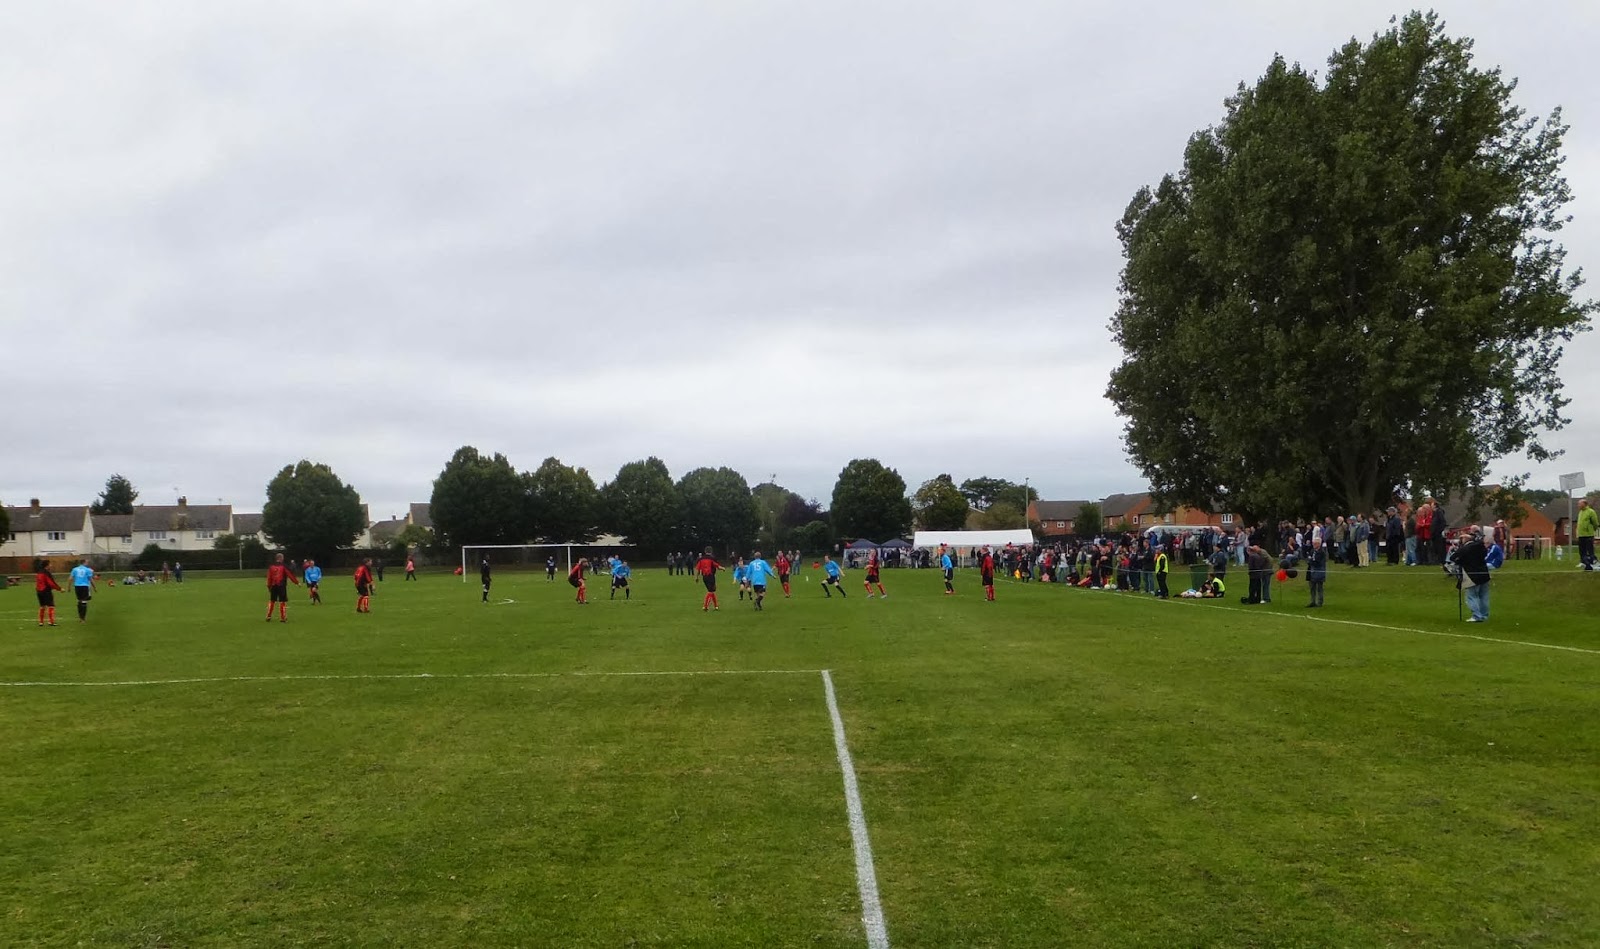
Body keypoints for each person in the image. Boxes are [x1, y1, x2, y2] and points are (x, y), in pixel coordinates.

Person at [1453, 526, 1493, 622]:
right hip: (1484, 573)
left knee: (1472, 596)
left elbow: (1453, 557)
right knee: (1484, 596)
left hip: (1471, 575)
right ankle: (1484, 615)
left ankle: (1476, 616)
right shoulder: (1480, 547)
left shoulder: (1465, 549)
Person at [265, 553, 299, 622]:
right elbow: (290, 575)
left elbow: (269, 577)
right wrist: (296, 582)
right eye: (282, 557)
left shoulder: (271, 566)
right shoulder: (283, 566)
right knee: (282, 601)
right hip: (281, 585)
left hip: (273, 586)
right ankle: (283, 617)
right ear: (281, 558)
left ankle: (268, 616)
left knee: (272, 601)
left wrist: (269, 586)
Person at [35, 562, 62, 626]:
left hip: (39, 591)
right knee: (51, 605)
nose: (51, 565)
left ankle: (41, 622)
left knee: (42, 606)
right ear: (47, 566)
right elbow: (51, 583)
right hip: (46, 591)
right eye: (50, 564)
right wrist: (59, 588)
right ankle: (51, 622)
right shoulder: (46, 573)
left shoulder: (39, 572)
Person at [1305, 535, 1327, 608]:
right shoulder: (1312, 551)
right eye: (1313, 543)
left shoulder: (1321, 552)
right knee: (1312, 587)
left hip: (1319, 571)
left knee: (1319, 588)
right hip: (1311, 571)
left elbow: (1317, 562)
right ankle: (1312, 601)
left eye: (1315, 543)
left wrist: (1310, 560)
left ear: (1319, 544)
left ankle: (1320, 602)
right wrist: (1310, 560)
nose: (1313, 545)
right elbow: (1309, 559)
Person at [1577, 498, 1598, 570]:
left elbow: (1595, 523)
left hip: (1588, 535)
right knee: (1582, 551)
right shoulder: (1580, 512)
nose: (1578, 505)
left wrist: (1592, 530)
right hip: (1581, 535)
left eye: (1579, 503)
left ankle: (1594, 563)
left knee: (1590, 550)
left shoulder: (1591, 512)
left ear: (1584, 504)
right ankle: (1585, 563)